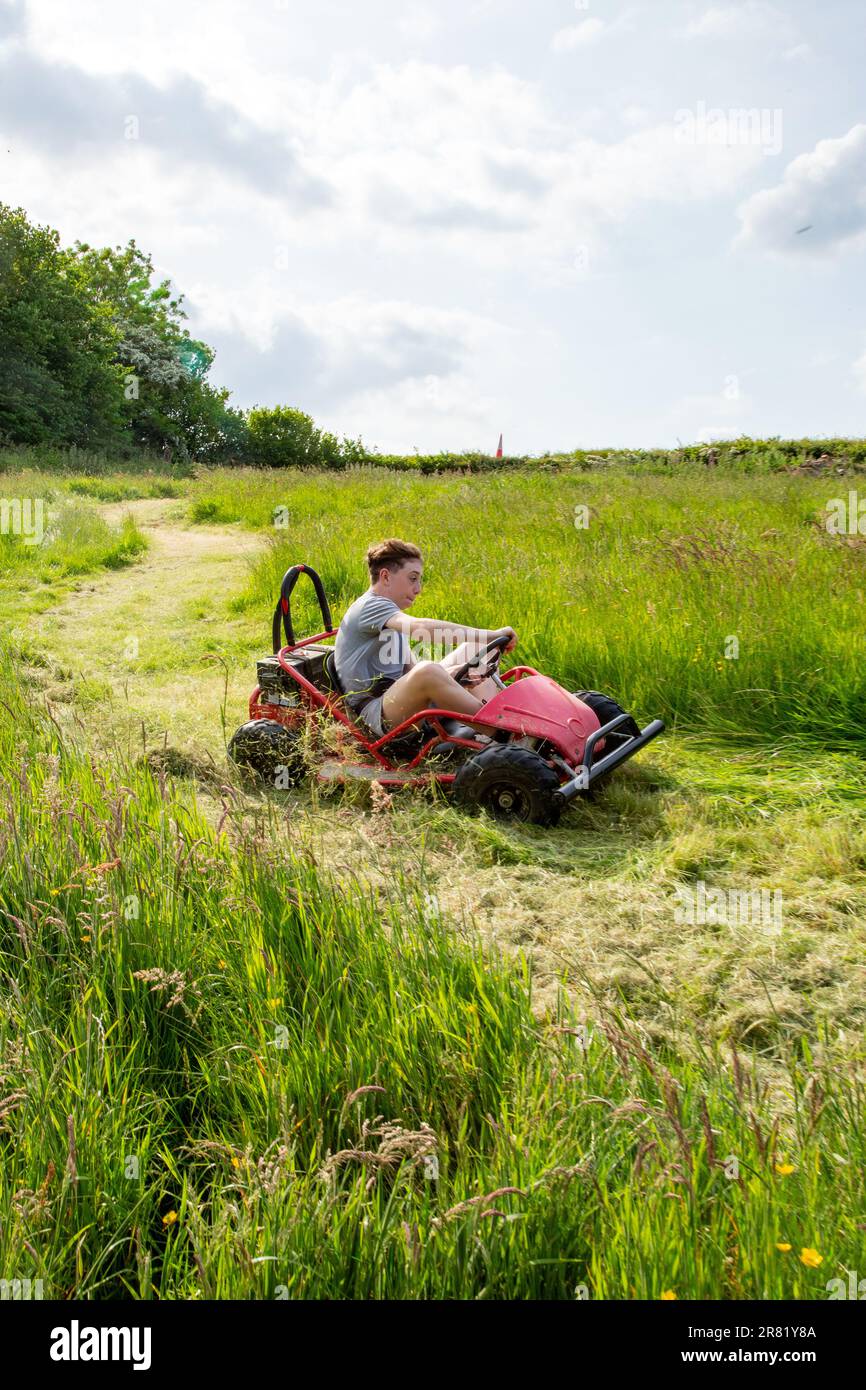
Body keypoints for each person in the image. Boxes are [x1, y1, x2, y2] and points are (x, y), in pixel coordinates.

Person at [334, 538, 517, 739]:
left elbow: (410, 672)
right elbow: (421, 628)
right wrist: (492, 634)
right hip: (376, 717)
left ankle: (491, 723)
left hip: (398, 701)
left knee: (477, 646)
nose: (418, 588)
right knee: (428, 670)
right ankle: (505, 733)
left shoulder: (389, 616)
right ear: (385, 577)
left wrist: (452, 674)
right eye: (412, 579)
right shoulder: (371, 606)